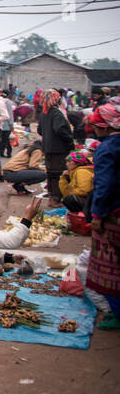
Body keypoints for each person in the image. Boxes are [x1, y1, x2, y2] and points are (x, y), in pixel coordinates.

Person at [86, 102, 120, 328]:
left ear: (103, 128)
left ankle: (118, 314)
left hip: (113, 212)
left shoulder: (107, 148)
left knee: (109, 265)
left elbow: (104, 184)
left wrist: (97, 214)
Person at [39, 89, 74, 202]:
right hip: (58, 149)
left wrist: (48, 136)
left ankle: (51, 195)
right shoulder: (56, 113)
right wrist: (69, 140)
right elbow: (60, 129)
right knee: (58, 174)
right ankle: (55, 199)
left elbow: (40, 130)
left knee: (51, 173)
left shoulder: (44, 113)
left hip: (48, 148)